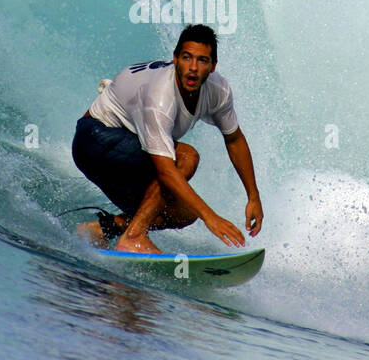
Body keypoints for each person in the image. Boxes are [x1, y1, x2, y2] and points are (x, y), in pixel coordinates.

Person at [71, 24, 263, 254]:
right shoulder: (160, 97)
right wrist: (211, 218)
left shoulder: (218, 91)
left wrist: (253, 197)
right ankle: (133, 238)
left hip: (126, 147)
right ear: (175, 59)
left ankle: (102, 229)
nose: (193, 68)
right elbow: (166, 171)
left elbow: (234, 140)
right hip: (93, 139)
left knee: (184, 212)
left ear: (212, 67)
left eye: (202, 60)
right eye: (186, 58)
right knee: (186, 157)